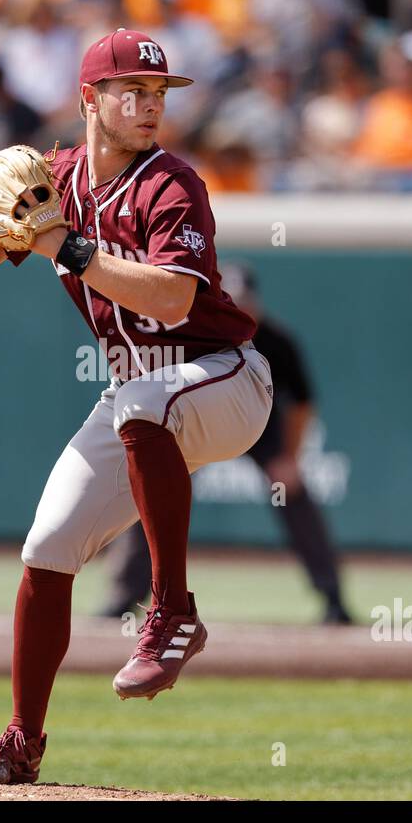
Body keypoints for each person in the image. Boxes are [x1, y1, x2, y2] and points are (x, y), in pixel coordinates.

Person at [0, 28, 273, 785]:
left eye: (158, 93)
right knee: (48, 546)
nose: (150, 104)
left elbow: (172, 295)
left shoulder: (172, 183)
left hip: (224, 376)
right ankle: (21, 742)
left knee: (140, 404)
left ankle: (172, 612)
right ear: (90, 99)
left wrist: (65, 246)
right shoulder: (54, 178)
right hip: (141, 396)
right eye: (133, 90)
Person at [99, 262, 352, 626]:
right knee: (153, 490)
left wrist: (288, 457)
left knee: (291, 489)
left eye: (247, 301)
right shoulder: (193, 332)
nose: (242, 309)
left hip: (257, 424)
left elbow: (301, 404)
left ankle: (333, 598)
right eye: (234, 301)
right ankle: (124, 595)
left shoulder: (276, 341)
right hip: (195, 423)